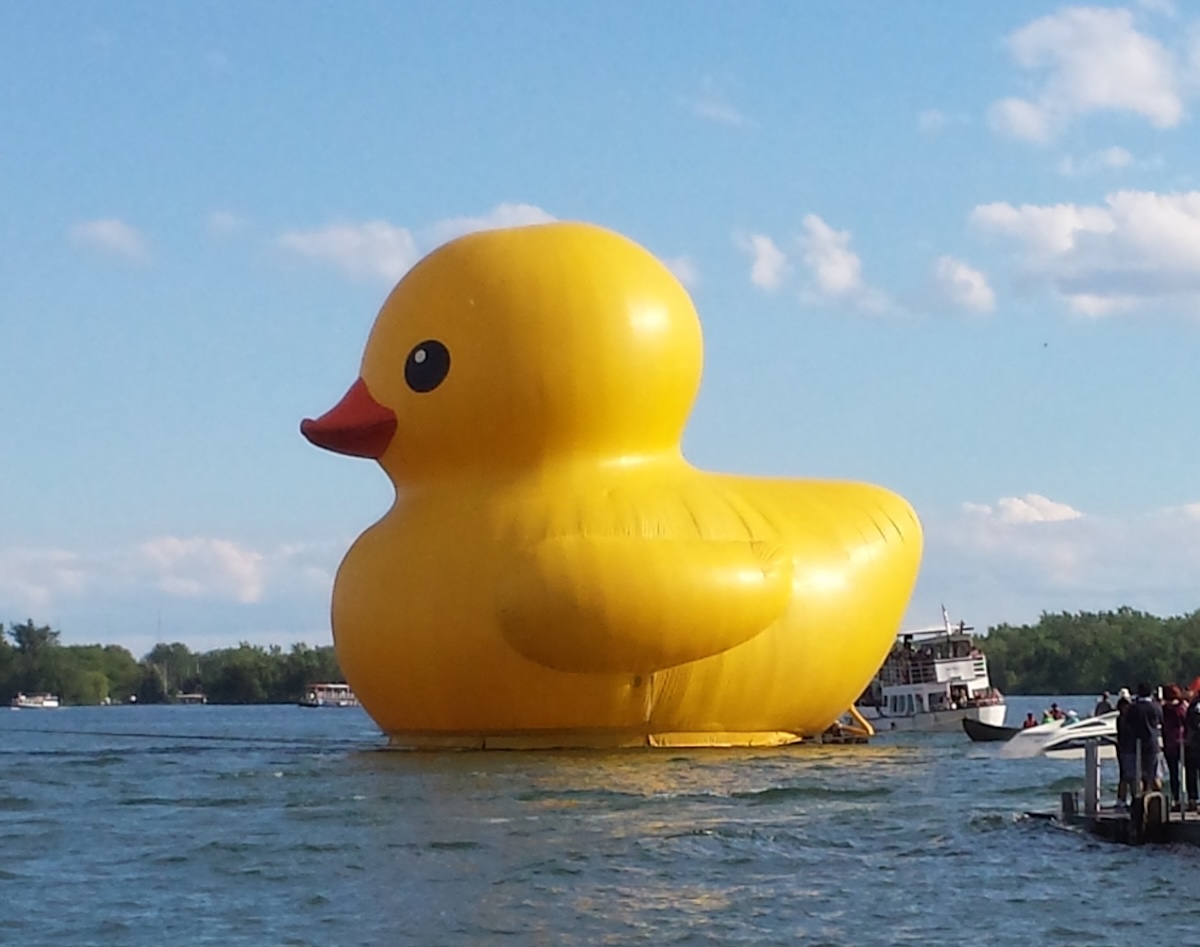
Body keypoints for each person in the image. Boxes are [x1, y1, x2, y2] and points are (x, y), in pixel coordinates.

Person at [1124, 682, 1164, 796]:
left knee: (1138, 777)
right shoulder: (1156, 707)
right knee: (1155, 776)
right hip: (1152, 744)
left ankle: (1139, 801)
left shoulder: (1133, 708)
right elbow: (1161, 721)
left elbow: (1127, 723)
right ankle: (1158, 800)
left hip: (1135, 745)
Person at [1161, 683, 1188, 809]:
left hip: (1170, 743)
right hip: (1183, 741)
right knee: (1189, 772)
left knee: (1174, 773)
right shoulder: (1182, 707)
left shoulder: (1165, 709)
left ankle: (1176, 799)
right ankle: (1191, 798)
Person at [1115, 695, 1134, 810]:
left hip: (1126, 749)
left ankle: (1130, 798)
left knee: (1129, 776)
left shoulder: (1125, 718)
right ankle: (1121, 799)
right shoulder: (1123, 719)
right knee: (1125, 776)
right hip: (1125, 749)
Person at [1185, 686, 1200, 812]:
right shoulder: (1195, 706)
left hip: (1193, 744)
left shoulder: (1193, 705)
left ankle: (1193, 800)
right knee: (1192, 772)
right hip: (1195, 743)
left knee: (1192, 773)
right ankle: (1193, 800)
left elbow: (1189, 723)